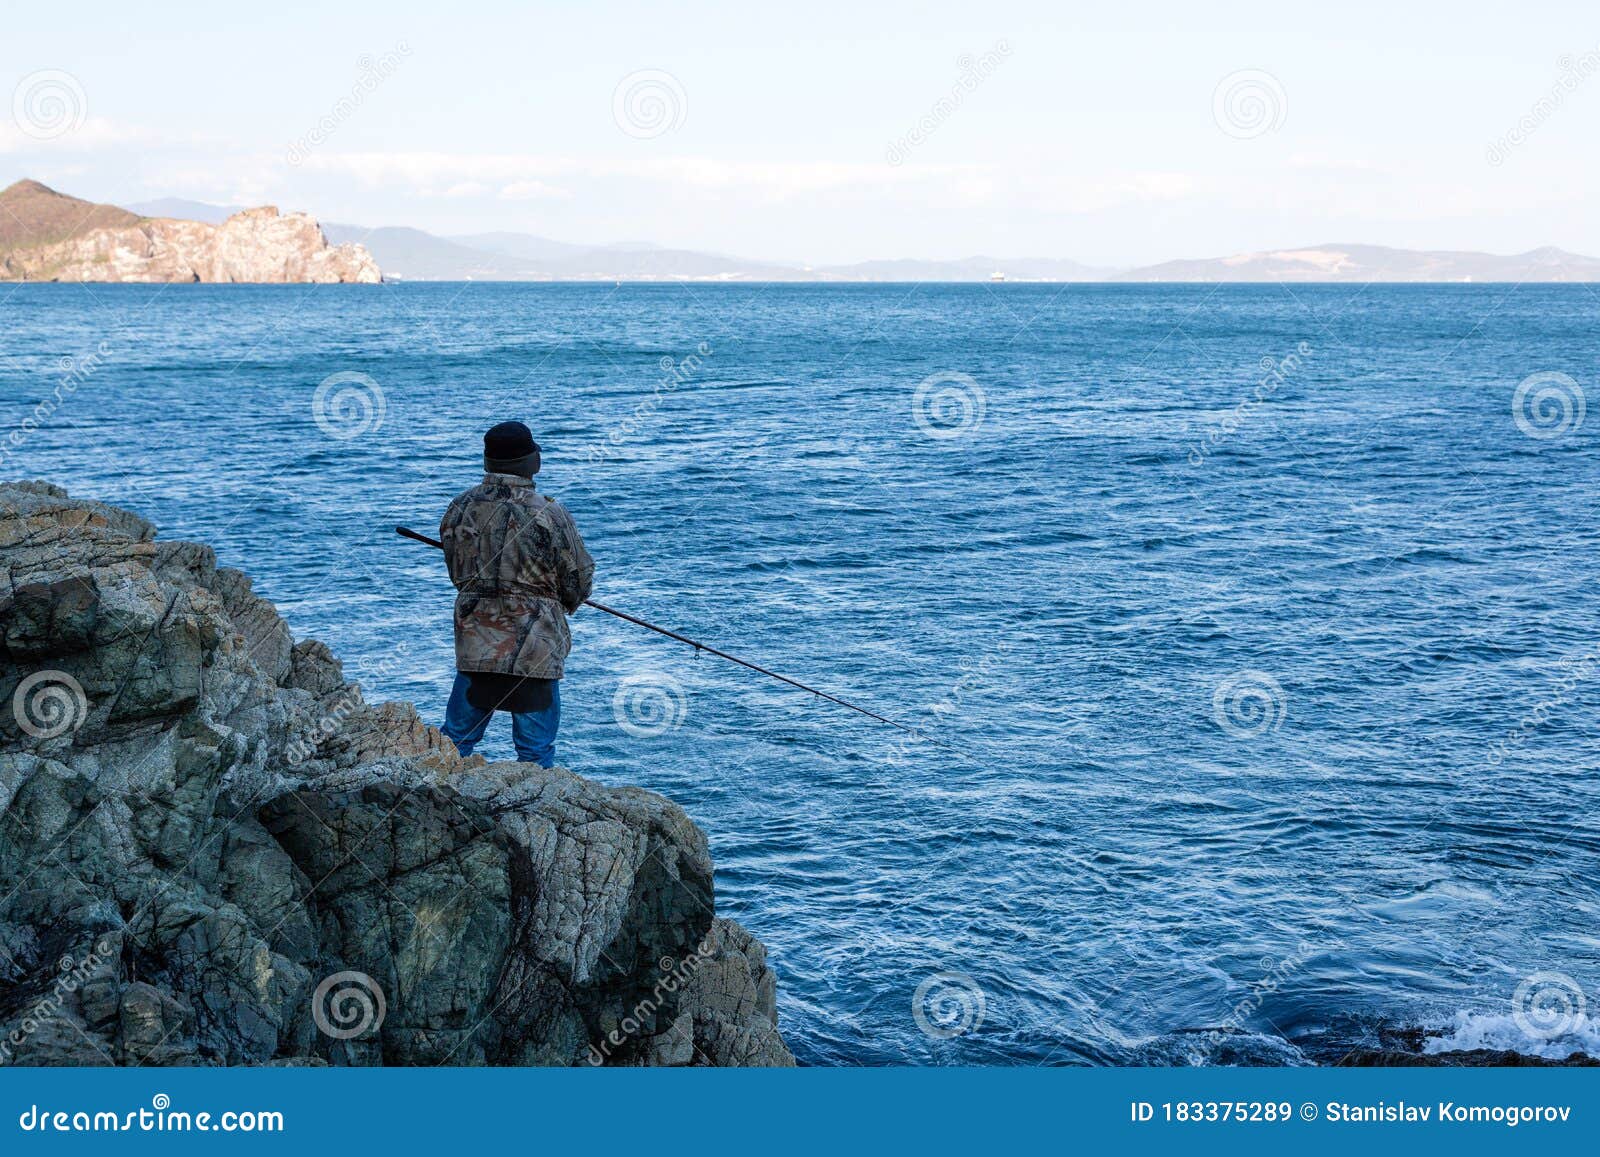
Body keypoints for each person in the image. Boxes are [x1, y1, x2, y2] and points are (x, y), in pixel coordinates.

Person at [437, 421, 594, 767]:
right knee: (535, 752)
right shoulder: (548, 512)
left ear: (487, 461)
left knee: (456, 741)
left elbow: (457, 573)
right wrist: (563, 601)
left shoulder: (459, 507)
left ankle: (437, 798)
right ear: (531, 462)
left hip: (476, 641)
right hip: (535, 648)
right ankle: (534, 810)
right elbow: (578, 578)